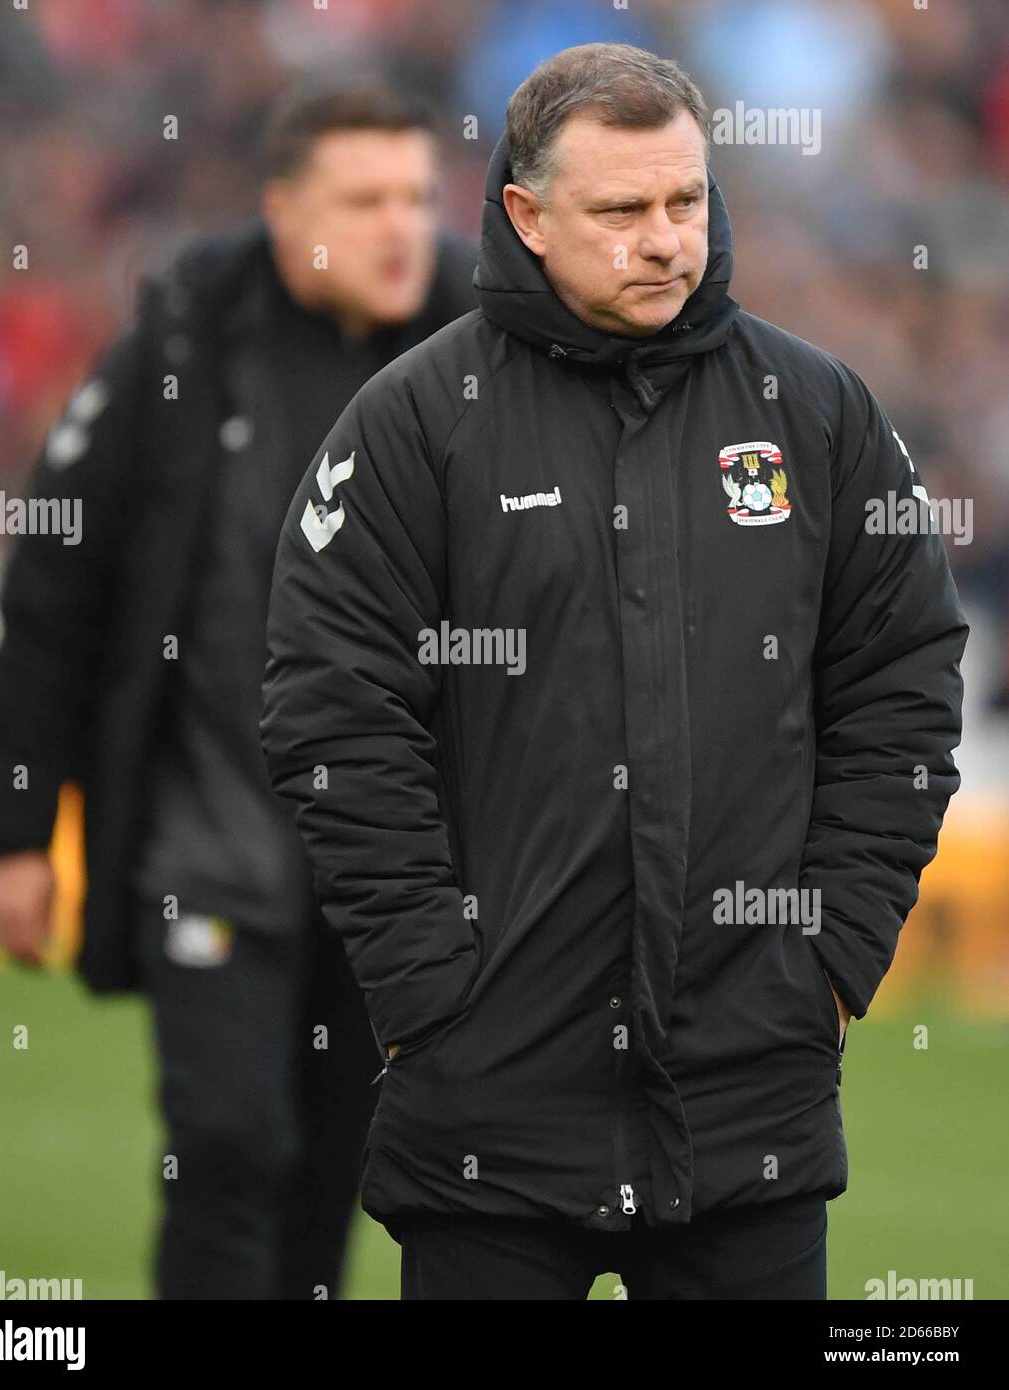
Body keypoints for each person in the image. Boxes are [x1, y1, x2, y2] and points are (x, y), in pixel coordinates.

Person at [259, 44, 968, 1300]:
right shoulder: (416, 422)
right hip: (488, 1107)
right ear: (527, 218)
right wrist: (428, 979)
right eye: (622, 211)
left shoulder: (818, 416)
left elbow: (902, 683)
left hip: (749, 1102)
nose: (665, 241)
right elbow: (330, 705)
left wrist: (835, 949)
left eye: (686, 203)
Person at [0, 72, 477, 1300]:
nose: (398, 225)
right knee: (228, 1144)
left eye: (416, 194)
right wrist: (17, 831)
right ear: (282, 207)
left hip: (396, 867)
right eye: (362, 199)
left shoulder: (486, 344)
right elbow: (54, 592)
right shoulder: (190, 336)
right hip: (212, 843)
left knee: (337, 1171)